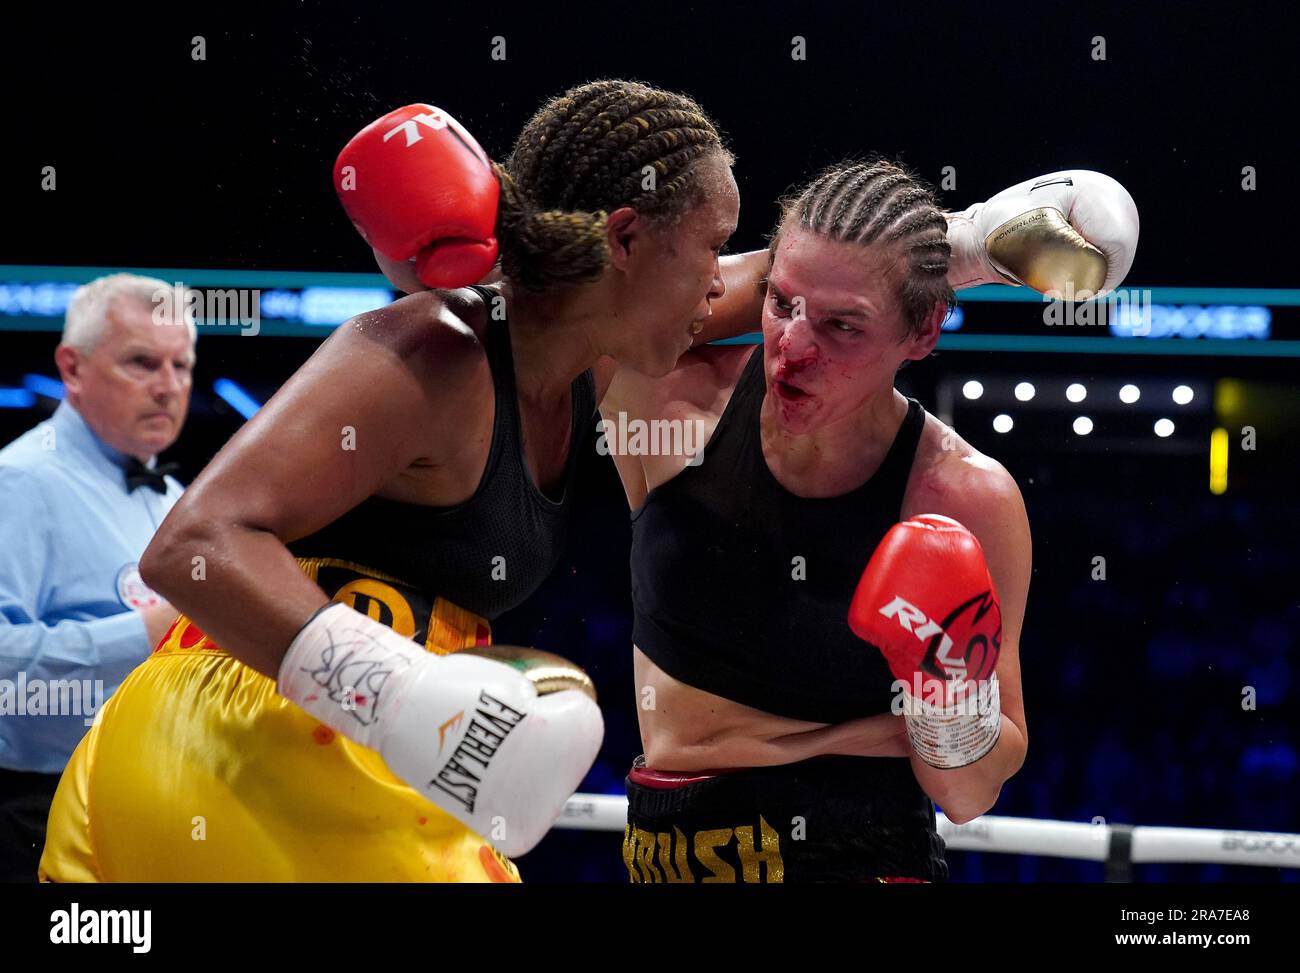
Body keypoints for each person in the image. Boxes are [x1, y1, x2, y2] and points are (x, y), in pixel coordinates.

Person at [39, 80, 755, 883]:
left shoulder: (586, 353)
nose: (718, 281)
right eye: (713, 244)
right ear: (625, 240)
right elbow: (190, 546)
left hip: (343, 753)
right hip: (242, 739)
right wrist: (399, 694)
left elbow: (795, 282)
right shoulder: (436, 348)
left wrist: (915, 244)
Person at [607, 160, 1139, 882]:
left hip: (856, 854)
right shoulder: (672, 407)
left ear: (921, 333)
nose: (795, 347)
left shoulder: (962, 496)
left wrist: (948, 698)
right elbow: (603, 306)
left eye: (842, 325)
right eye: (783, 303)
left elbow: (969, 791)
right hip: (661, 854)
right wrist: (961, 245)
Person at [0, 273, 194, 881]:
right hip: (38, 804)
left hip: (148, 797)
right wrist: (149, 630)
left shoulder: (176, 497)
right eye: (142, 363)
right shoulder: (20, 481)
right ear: (73, 368)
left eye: (181, 366)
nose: (168, 387)